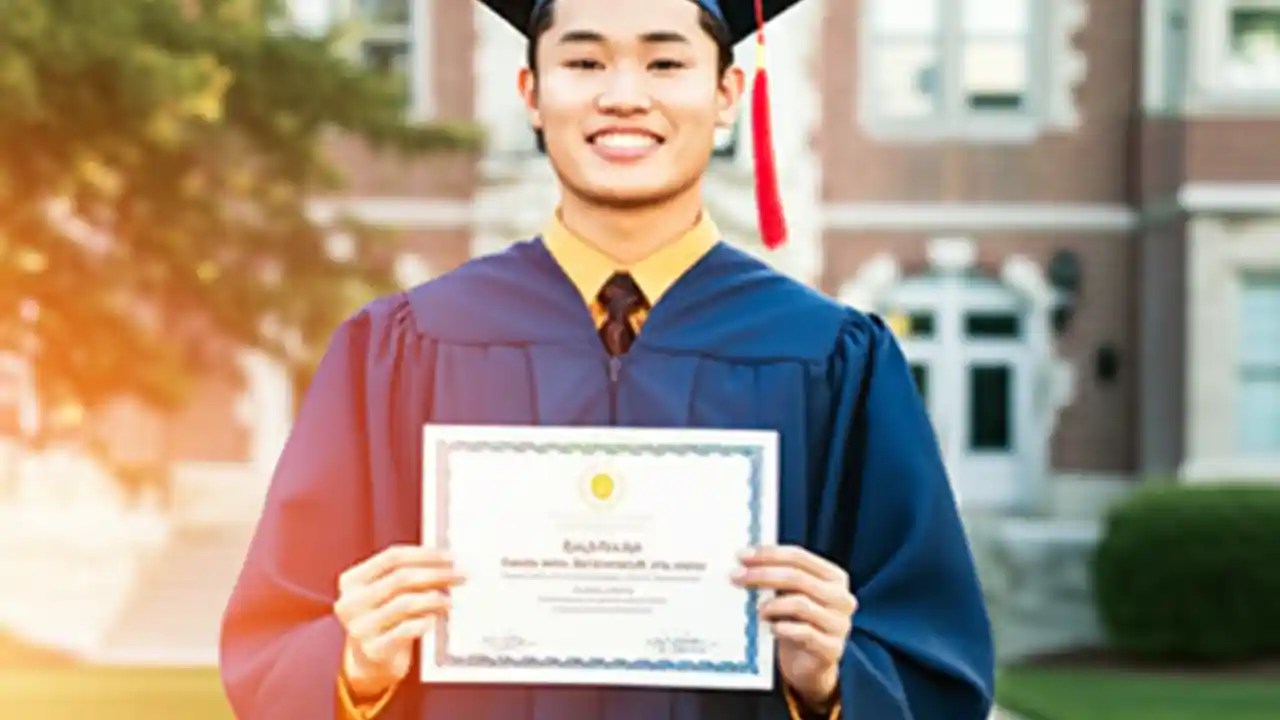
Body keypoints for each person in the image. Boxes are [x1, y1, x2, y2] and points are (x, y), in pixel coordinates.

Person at [218, 0, 996, 718]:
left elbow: (934, 670)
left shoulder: (832, 359)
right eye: (585, 62)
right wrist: (355, 666)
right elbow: (274, 642)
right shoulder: (401, 347)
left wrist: (834, 682)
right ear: (531, 92)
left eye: (665, 63)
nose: (624, 95)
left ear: (728, 92)